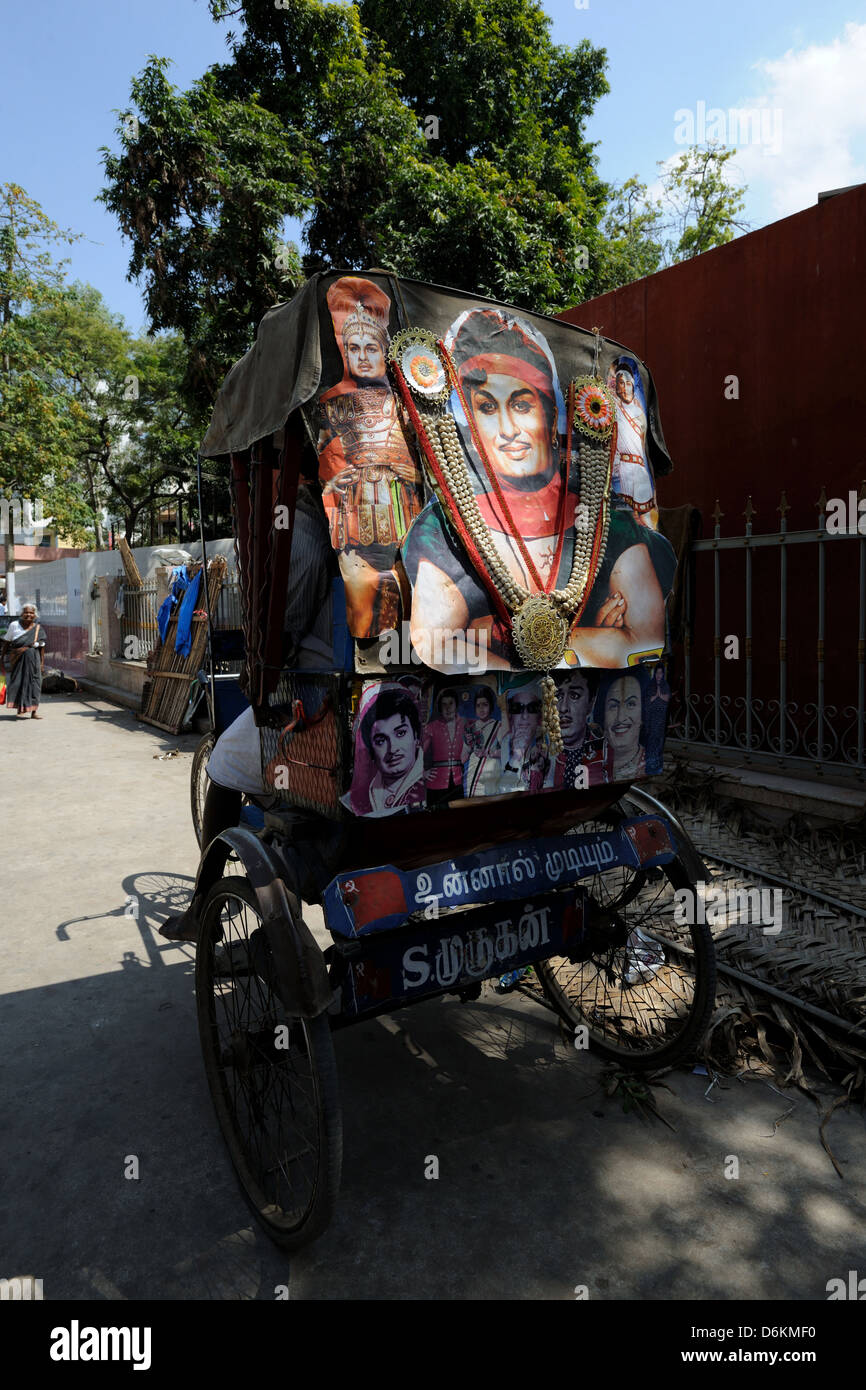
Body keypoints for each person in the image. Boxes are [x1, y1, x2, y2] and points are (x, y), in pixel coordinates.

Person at [401, 307, 676, 672]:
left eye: (521, 404)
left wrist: (487, 634)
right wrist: (590, 637)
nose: (507, 429)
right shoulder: (443, 528)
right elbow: (433, 643)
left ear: (550, 415)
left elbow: (646, 639)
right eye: (486, 407)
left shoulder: (607, 528)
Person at [316, 276, 423, 637]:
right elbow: (326, 461)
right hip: (357, 516)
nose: (362, 357)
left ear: (384, 351)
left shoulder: (407, 405)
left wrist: (412, 474)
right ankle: (373, 644)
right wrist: (333, 482)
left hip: (402, 511)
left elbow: (428, 462)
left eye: (371, 348)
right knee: (365, 597)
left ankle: (409, 645)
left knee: (409, 587)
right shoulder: (333, 406)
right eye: (354, 349)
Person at [359, 687, 426, 814]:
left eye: (400, 733)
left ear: (416, 736)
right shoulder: (362, 795)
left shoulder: (429, 782)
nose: (393, 749)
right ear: (371, 751)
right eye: (381, 741)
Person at [550, 670, 604, 790]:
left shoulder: (606, 753)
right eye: (558, 696)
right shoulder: (542, 755)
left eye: (574, 696)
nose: (563, 708)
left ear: (591, 702)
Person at [423, 688, 470, 806]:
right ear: (440, 707)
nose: (448, 708)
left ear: (456, 705)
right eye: (444, 704)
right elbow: (417, 752)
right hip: (435, 783)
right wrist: (422, 773)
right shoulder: (431, 727)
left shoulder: (466, 723)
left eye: (450, 703)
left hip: (459, 782)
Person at [499, 683, 548, 793]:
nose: (524, 716)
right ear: (510, 715)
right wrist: (516, 757)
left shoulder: (549, 743)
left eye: (532, 708)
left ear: (539, 715)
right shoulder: (504, 743)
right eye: (517, 708)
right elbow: (504, 791)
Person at [1, 604, 46, 718]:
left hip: (34, 661)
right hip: (18, 660)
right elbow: (7, 642)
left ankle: (34, 712)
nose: (29, 615)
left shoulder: (38, 628)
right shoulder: (14, 625)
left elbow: (42, 647)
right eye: (26, 612)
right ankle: (20, 709)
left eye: (31, 613)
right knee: (18, 683)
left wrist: (42, 663)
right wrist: (1, 658)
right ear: (21, 614)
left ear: (35, 615)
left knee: (35, 684)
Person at [601, 673, 646, 782]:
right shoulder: (589, 763)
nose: (620, 718)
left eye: (631, 704)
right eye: (613, 706)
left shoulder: (651, 765)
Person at [463, 684, 502, 797]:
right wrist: (468, 744)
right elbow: (463, 758)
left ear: (491, 706)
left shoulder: (498, 726)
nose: (481, 709)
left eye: (485, 704)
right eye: (478, 705)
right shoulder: (471, 728)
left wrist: (488, 752)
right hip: (472, 774)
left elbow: (507, 753)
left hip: (491, 775)